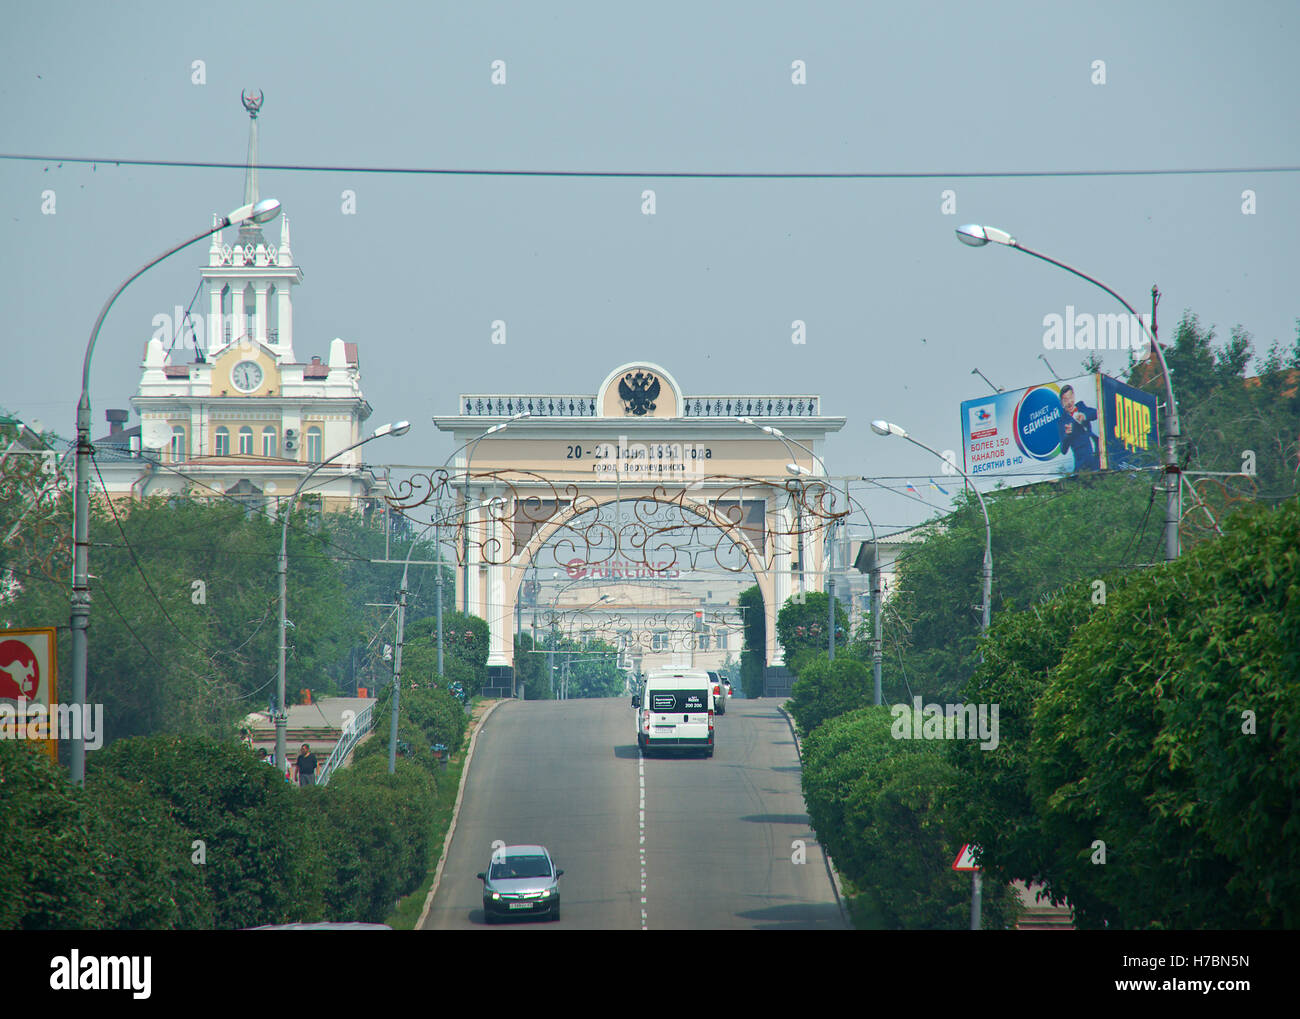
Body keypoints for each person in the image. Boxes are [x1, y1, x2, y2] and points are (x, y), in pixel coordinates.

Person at [1058, 385, 1100, 471]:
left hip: (1098, 455)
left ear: (1073, 396)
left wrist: (1085, 416)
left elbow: (1096, 413)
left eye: (1070, 398)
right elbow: (1063, 450)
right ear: (1062, 403)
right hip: (1082, 463)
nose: (1069, 402)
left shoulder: (1081, 407)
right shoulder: (1062, 421)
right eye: (1065, 400)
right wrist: (1067, 435)